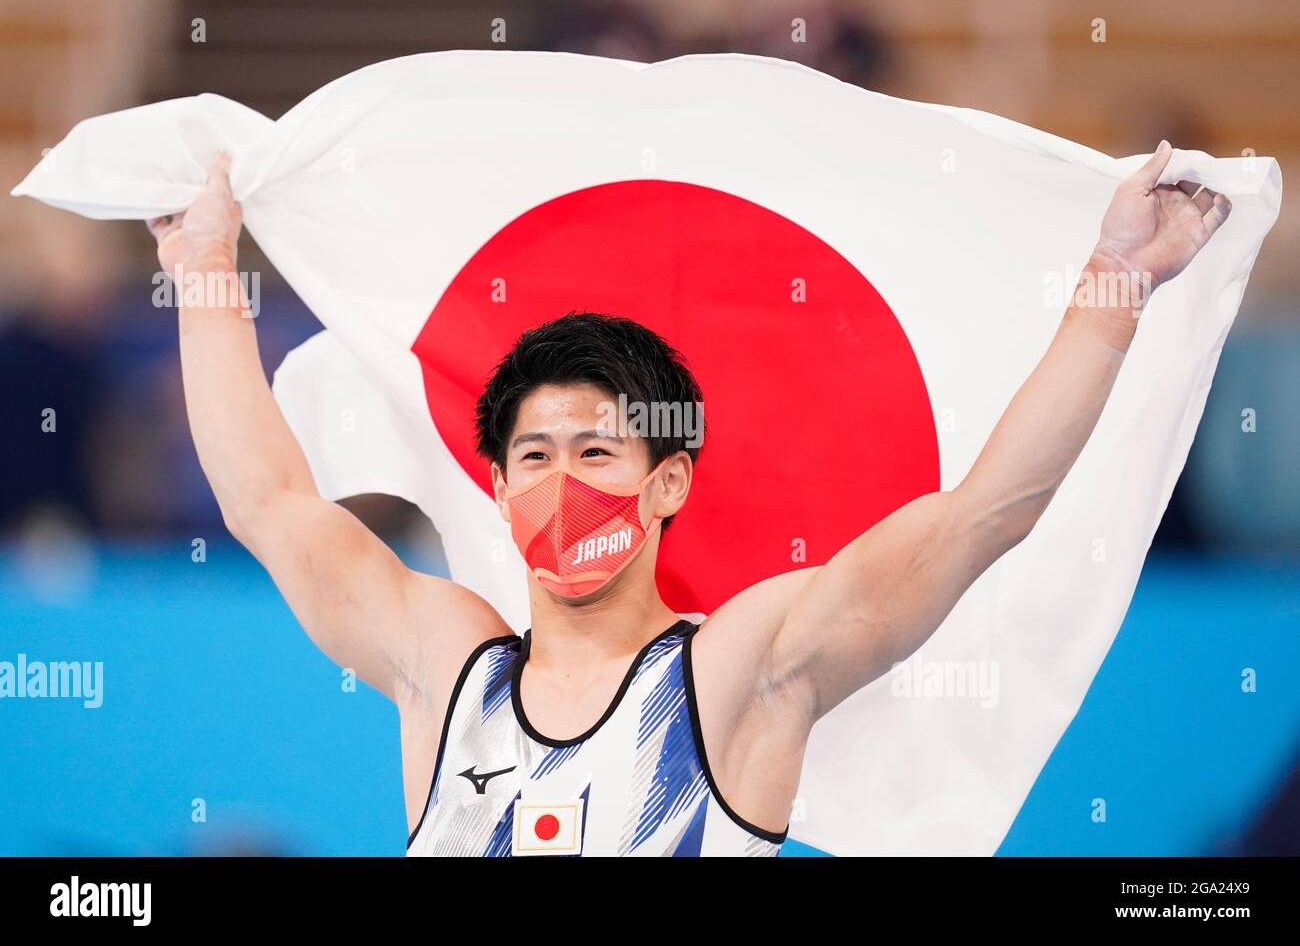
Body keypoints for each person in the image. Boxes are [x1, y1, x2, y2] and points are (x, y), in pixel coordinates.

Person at [147, 142, 1230, 856]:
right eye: (532, 457)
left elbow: (983, 513)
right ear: (495, 483)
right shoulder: (444, 664)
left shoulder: (739, 671)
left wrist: (1112, 286)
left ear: (668, 480)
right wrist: (203, 263)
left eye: (597, 452)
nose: (561, 485)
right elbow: (271, 503)